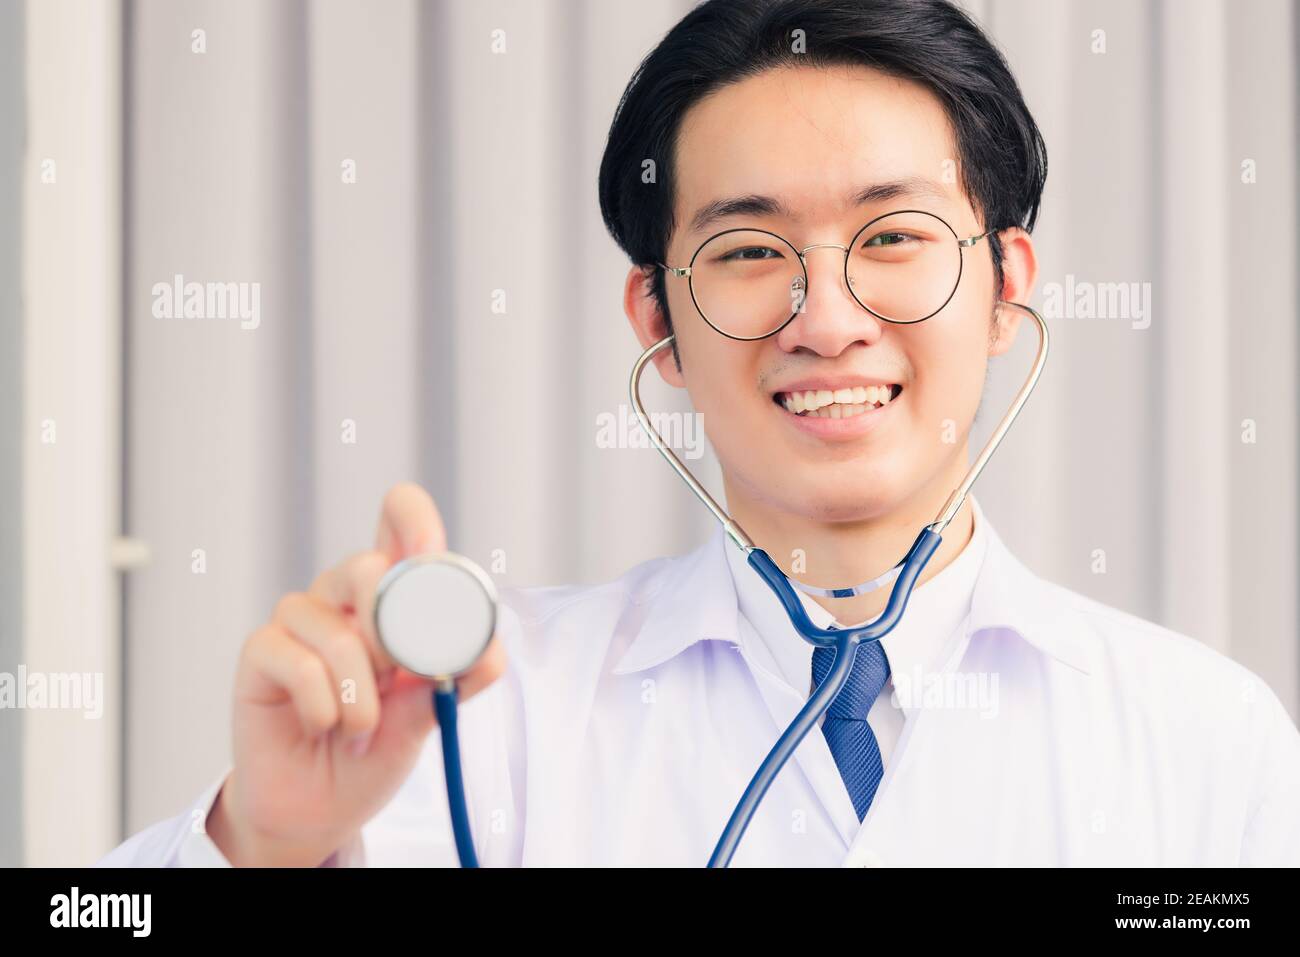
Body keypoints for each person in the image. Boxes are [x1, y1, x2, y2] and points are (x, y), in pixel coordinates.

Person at [101, 0, 1300, 867]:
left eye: (892, 238)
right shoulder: (482, 716)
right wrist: (266, 845)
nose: (826, 321)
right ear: (658, 324)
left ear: (1004, 290)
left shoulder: (1207, 736)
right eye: (745, 254)